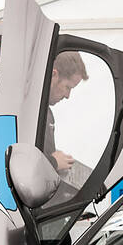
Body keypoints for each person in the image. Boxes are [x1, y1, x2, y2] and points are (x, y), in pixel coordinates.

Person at [44, 50, 91, 190]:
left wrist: (59, 159)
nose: (67, 95)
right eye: (67, 87)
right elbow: (20, 161)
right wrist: (54, 162)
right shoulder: (28, 110)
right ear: (53, 74)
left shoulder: (47, 113)